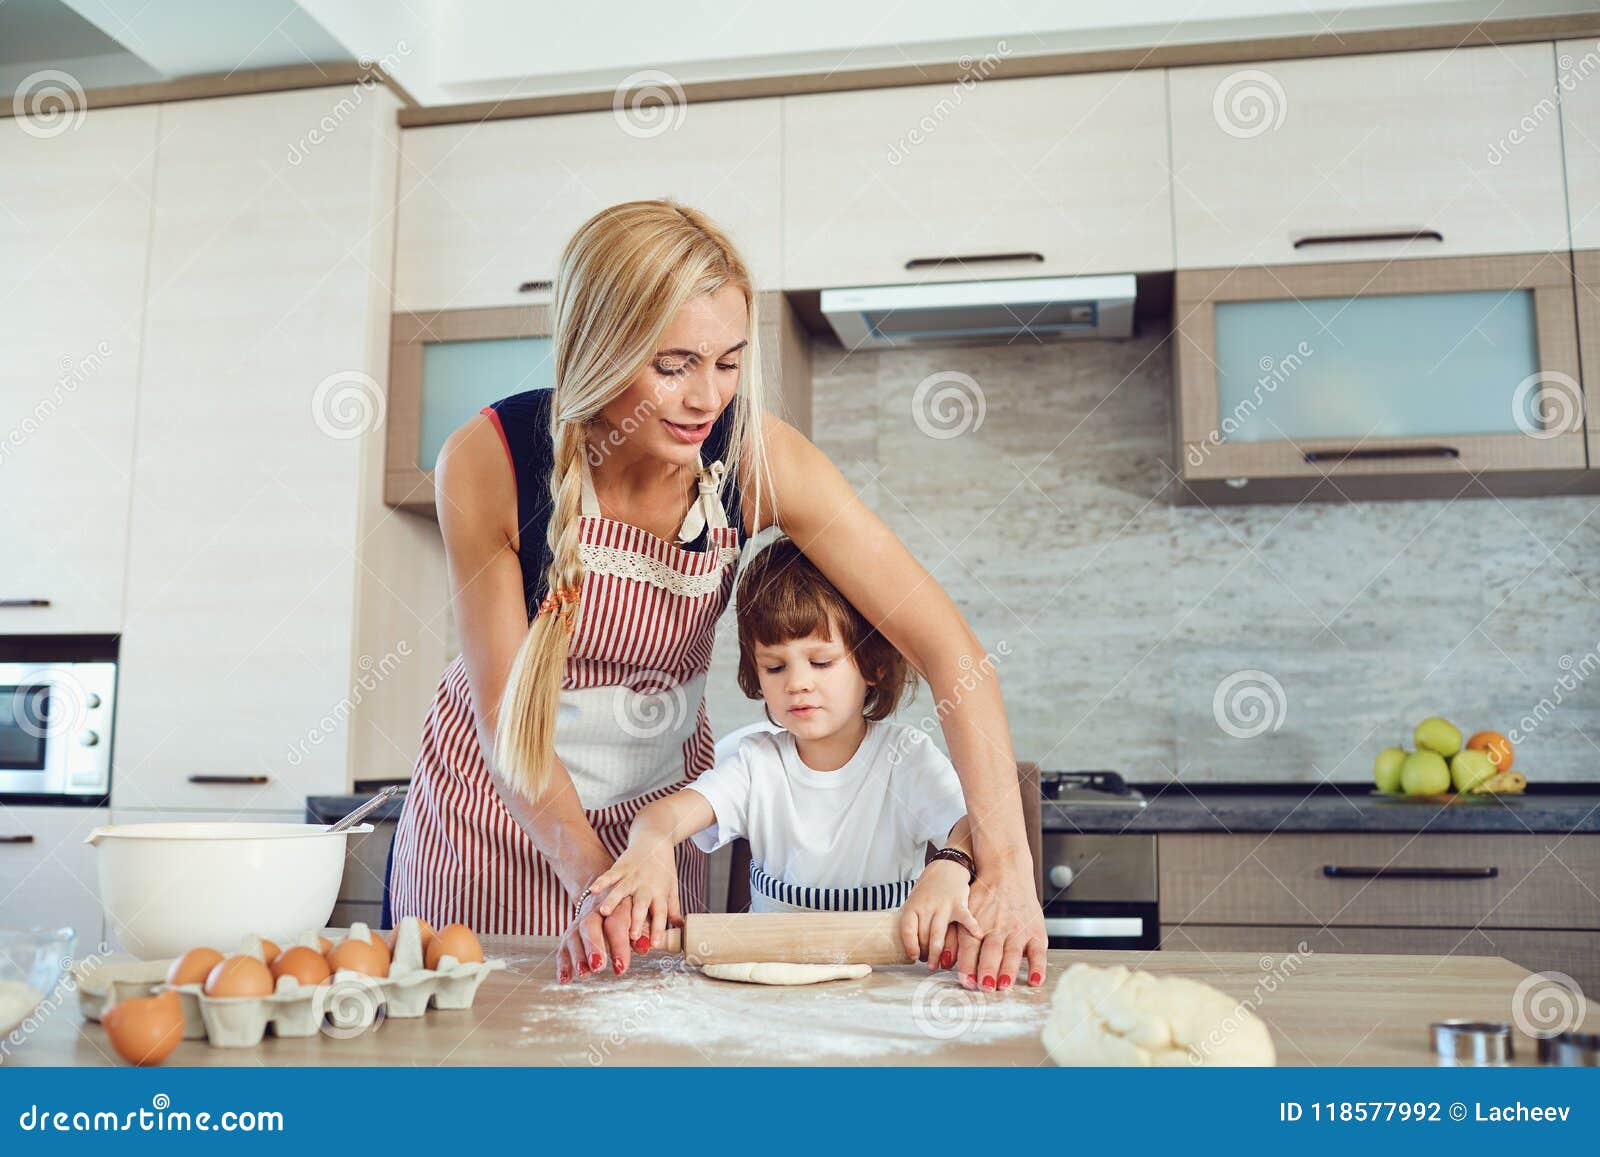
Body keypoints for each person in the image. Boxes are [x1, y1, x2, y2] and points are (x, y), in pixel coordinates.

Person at [388, 199, 1045, 990]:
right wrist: (602, 884)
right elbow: (506, 729)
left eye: (728, 362)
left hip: (656, 834)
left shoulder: (759, 457)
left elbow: (951, 653)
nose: (708, 399)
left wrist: (1005, 869)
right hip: (492, 822)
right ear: (598, 349)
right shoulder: (486, 462)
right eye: (674, 366)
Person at [587, 536, 985, 978]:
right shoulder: (756, 763)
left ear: (873, 663)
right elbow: (660, 817)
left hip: (886, 987)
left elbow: (975, 825)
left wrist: (953, 864)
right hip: (773, 996)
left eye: (820, 662)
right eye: (775, 667)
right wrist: (651, 844)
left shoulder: (904, 759)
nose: (797, 683)